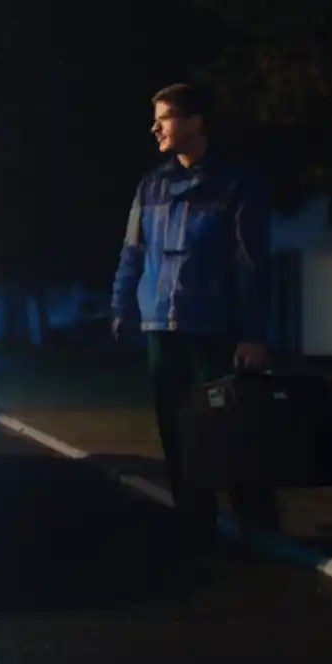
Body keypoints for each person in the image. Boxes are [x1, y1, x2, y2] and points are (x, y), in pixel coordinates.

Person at [110, 82, 279, 551]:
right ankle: (194, 527)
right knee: (177, 431)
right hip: (162, 331)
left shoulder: (237, 184)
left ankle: (258, 526)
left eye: (165, 117)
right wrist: (122, 307)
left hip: (215, 331)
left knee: (231, 430)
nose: (155, 127)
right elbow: (132, 252)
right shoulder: (151, 185)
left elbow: (252, 264)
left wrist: (253, 334)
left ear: (197, 121)